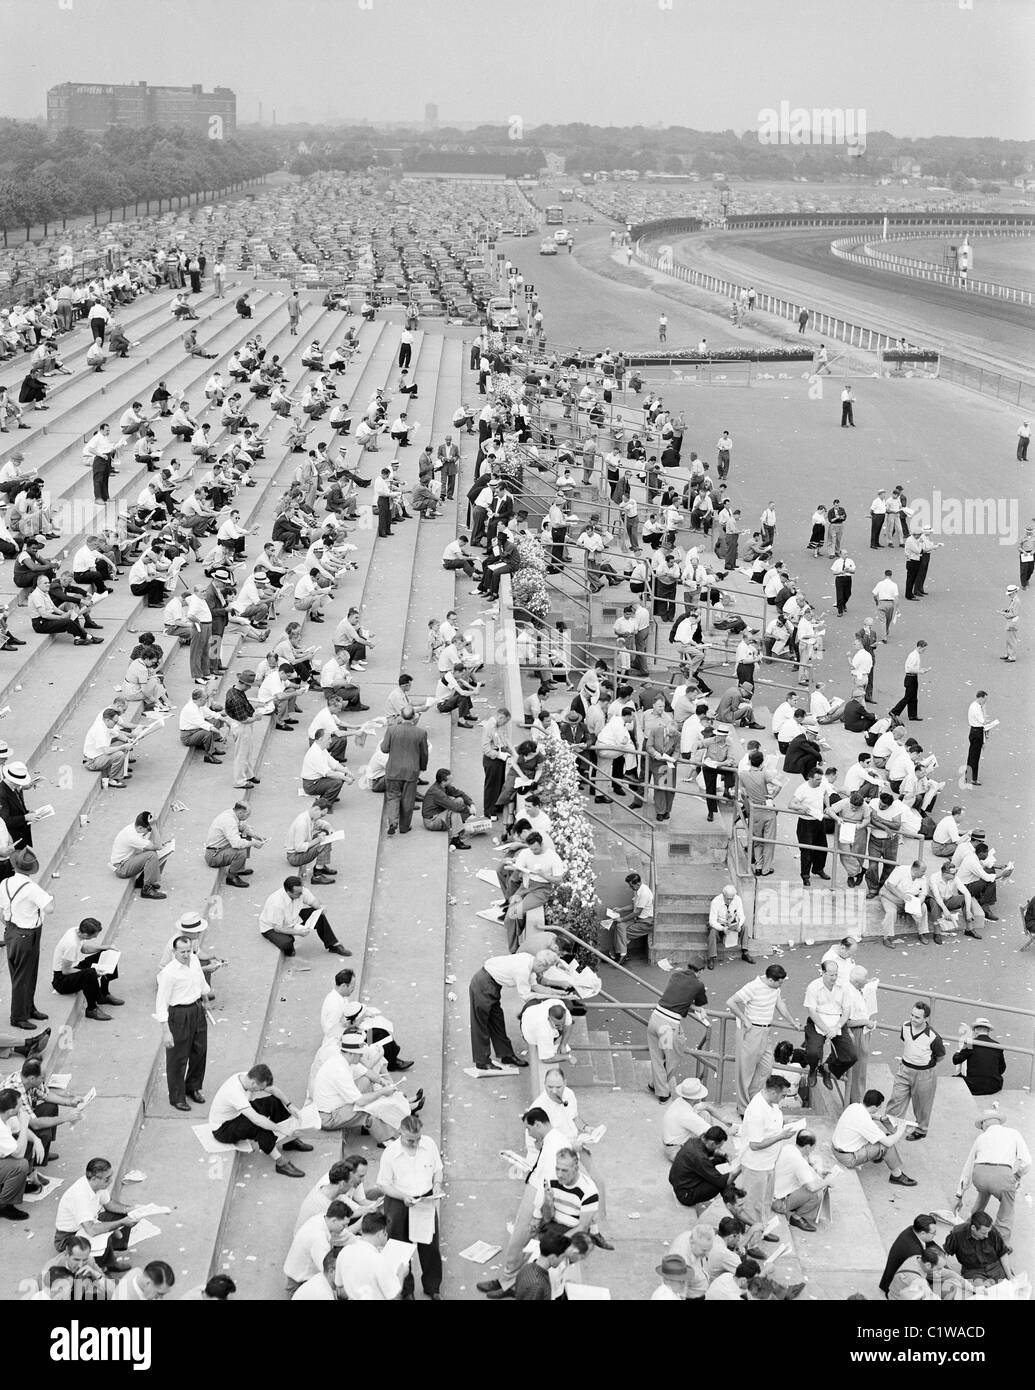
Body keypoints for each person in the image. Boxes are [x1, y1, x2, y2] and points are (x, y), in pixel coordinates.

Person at [377, 1114, 444, 1300]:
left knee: (430, 1246)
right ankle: (407, 1291)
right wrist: (403, 1196)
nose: (414, 1143)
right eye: (410, 1140)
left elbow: (438, 1169)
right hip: (399, 1201)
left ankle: (433, 1287)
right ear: (400, 1132)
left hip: (425, 1198)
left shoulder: (429, 1144)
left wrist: (437, 1184)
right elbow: (384, 1184)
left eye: (417, 1139)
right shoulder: (390, 1153)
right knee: (401, 1247)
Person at [468, 949, 565, 1074]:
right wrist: (554, 997)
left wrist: (558, 993)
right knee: (480, 1024)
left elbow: (535, 986)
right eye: (544, 970)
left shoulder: (530, 960)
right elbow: (527, 996)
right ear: (540, 965)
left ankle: (506, 1054)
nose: (543, 973)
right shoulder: (523, 970)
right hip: (483, 983)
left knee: (497, 1020)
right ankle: (482, 1061)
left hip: (492, 984)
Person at [208, 1064, 313, 1179]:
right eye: (260, 1088)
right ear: (253, 1083)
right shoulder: (235, 1092)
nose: (261, 1090)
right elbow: (257, 1120)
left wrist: (290, 1105)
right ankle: (281, 1163)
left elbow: (272, 1089)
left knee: (275, 1101)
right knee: (259, 1127)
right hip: (223, 1129)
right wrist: (282, 1129)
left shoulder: (247, 1078)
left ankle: (289, 1142)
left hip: (238, 1113)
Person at [726, 965, 799, 1112]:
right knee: (745, 1073)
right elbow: (731, 1002)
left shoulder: (775, 988)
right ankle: (743, 1109)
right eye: (780, 982)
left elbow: (780, 1004)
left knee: (765, 1069)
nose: (781, 985)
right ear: (771, 980)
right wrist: (744, 1019)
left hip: (766, 1031)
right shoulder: (753, 987)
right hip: (752, 1031)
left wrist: (792, 1021)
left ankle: (754, 1101)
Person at [155, 935, 214, 1111]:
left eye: (188, 951)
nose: (186, 955)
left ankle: (193, 1087)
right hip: (179, 1014)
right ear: (174, 952)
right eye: (182, 952)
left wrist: (205, 1000)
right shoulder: (169, 973)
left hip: (196, 1009)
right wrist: (166, 1030)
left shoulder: (195, 960)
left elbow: (201, 983)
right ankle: (177, 1096)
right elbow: (161, 1003)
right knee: (178, 1057)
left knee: (199, 1051)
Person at [954, 1109, 1031, 1243]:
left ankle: (969, 1226)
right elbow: (1027, 1162)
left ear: (985, 1123)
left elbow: (968, 1166)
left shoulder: (981, 1137)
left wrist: (959, 1194)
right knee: (1006, 1210)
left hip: (980, 1175)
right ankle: (1000, 1243)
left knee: (983, 1193)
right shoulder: (1013, 1133)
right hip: (1002, 1175)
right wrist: (1017, 1175)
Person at [3, 848, 54, 1028]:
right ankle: (18, 1016)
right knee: (23, 976)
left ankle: (28, 1008)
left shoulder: (5, 883)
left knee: (25, 974)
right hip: (27, 934)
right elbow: (50, 908)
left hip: (12, 931)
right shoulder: (32, 888)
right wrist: (49, 897)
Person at [645, 962, 710, 1102]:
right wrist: (697, 1008)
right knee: (672, 1058)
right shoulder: (698, 984)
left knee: (657, 1057)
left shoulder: (675, 975)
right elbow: (699, 1003)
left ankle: (655, 1084)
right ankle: (662, 1092)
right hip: (667, 1027)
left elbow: (677, 998)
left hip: (655, 1018)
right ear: (700, 971)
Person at [54, 1158, 136, 1268]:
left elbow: (109, 1204)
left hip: (86, 1226)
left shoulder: (98, 1186)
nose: (110, 1181)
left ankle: (110, 1252)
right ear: (94, 1179)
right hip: (68, 1237)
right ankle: (106, 1264)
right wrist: (121, 1222)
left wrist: (130, 1209)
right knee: (102, 1232)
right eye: (107, 1179)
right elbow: (91, 1230)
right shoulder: (80, 1196)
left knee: (124, 1215)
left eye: (110, 1176)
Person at [739, 1076, 798, 1226]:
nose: (784, 1099)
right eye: (783, 1095)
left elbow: (770, 1124)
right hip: (756, 1166)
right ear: (773, 1092)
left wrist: (784, 1123)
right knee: (752, 1204)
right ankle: (752, 1236)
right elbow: (755, 1145)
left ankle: (763, 1227)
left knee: (765, 1200)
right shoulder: (757, 1111)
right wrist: (781, 1136)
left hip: (769, 1163)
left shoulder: (771, 1102)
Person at [885, 1000, 945, 1141]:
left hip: (924, 1073)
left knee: (922, 1104)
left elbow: (941, 1056)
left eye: (917, 1017)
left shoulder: (933, 1037)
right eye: (912, 1015)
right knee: (896, 1099)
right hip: (905, 1068)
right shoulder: (905, 1027)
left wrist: (925, 1064)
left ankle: (921, 1129)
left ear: (925, 1019)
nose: (913, 1019)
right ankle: (892, 1128)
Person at [830, 1089, 917, 1186]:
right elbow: (888, 1143)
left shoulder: (854, 1106)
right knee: (886, 1145)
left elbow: (868, 1115)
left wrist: (880, 1118)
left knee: (878, 1136)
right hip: (848, 1158)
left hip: (836, 1148)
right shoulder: (866, 1122)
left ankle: (877, 1155)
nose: (879, 1109)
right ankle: (897, 1175)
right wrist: (901, 1129)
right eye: (879, 1107)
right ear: (873, 1107)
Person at [50, 915, 123, 1020]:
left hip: (74, 967)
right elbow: (65, 971)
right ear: (84, 934)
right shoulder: (72, 944)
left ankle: (104, 994)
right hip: (61, 980)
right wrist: (93, 971)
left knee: (108, 953)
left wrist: (106, 948)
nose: (95, 938)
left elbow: (85, 949)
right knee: (90, 973)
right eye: (93, 936)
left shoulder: (75, 931)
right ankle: (91, 1009)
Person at [259, 877, 349, 958]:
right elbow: (277, 928)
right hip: (272, 927)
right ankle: (289, 941)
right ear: (289, 892)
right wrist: (297, 932)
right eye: (298, 893)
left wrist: (320, 907)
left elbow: (313, 901)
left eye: (301, 891)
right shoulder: (276, 903)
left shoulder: (301, 891)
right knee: (287, 943)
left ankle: (333, 945)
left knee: (319, 916)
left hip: (293, 917)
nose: (301, 894)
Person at [803, 960, 856, 1090]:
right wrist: (826, 1030)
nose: (834, 978)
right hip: (818, 1020)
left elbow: (847, 1010)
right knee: (813, 1052)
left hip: (837, 1020)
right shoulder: (813, 986)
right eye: (831, 975)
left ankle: (827, 1068)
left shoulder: (843, 986)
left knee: (851, 1056)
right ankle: (813, 1069)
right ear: (823, 973)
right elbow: (812, 1011)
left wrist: (837, 1027)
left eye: (836, 975)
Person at [380, 706, 429, 835]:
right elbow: (424, 753)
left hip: (393, 769)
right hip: (411, 771)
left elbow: (384, 748)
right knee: (408, 799)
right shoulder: (421, 732)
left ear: (401, 716)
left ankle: (392, 822)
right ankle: (404, 826)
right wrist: (422, 767)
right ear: (414, 717)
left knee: (392, 797)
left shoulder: (392, 730)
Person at [773, 1131, 832, 1232]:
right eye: (812, 1148)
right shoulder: (799, 1162)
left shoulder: (789, 1148)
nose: (812, 1150)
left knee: (814, 1170)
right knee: (817, 1194)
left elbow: (806, 1163)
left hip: (774, 1194)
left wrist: (818, 1171)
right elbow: (811, 1187)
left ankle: (794, 1207)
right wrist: (827, 1182)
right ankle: (795, 1217)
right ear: (808, 1147)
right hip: (779, 1203)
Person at [335, 1211, 400, 1300]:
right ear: (381, 1233)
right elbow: (395, 1297)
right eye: (386, 1233)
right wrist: (401, 1275)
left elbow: (340, 1289)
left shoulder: (344, 1252)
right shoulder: (379, 1260)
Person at [944, 1212, 1013, 1285]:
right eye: (983, 1233)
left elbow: (1002, 1252)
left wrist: (1009, 1275)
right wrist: (947, 1272)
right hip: (973, 1271)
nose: (987, 1236)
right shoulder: (957, 1234)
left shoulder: (991, 1230)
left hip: (994, 1267)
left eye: (988, 1232)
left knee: (1008, 1286)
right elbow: (945, 1252)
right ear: (973, 1228)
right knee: (983, 1290)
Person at [879, 1213, 938, 1297]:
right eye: (933, 1233)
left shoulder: (911, 1230)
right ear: (922, 1233)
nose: (935, 1235)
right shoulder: (914, 1252)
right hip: (897, 1287)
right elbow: (925, 1271)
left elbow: (930, 1244)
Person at [952, 1019, 1006, 1096]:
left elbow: (956, 1060)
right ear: (988, 1031)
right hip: (995, 1086)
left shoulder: (970, 1043)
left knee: (955, 1079)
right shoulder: (997, 1045)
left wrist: (958, 1052)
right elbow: (1002, 1069)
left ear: (976, 1030)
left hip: (974, 1086)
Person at [706, 884, 748, 968]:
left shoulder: (737, 899)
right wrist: (722, 928)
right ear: (723, 895)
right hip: (719, 924)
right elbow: (712, 921)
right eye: (727, 899)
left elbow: (742, 916)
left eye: (731, 899)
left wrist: (738, 925)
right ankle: (711, 957)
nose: (729, 901)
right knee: (713, 932)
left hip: (732, 923)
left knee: (745, 927)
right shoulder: (715, 901)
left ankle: (745, 952)